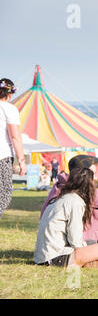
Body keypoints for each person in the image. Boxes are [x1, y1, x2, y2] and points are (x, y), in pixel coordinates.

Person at [34, 167, 98, 269]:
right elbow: (75, 241)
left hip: (43, 256)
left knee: (91, 242)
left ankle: (87, 261)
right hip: (57, 257)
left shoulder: (62, 197)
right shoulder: (76, 202)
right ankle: (88, 263)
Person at [0, 78, 26, 218]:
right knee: (3, 195)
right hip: (2, 157)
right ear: (9, 94)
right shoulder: (9, 109)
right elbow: (14, 137)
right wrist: (21, 160)